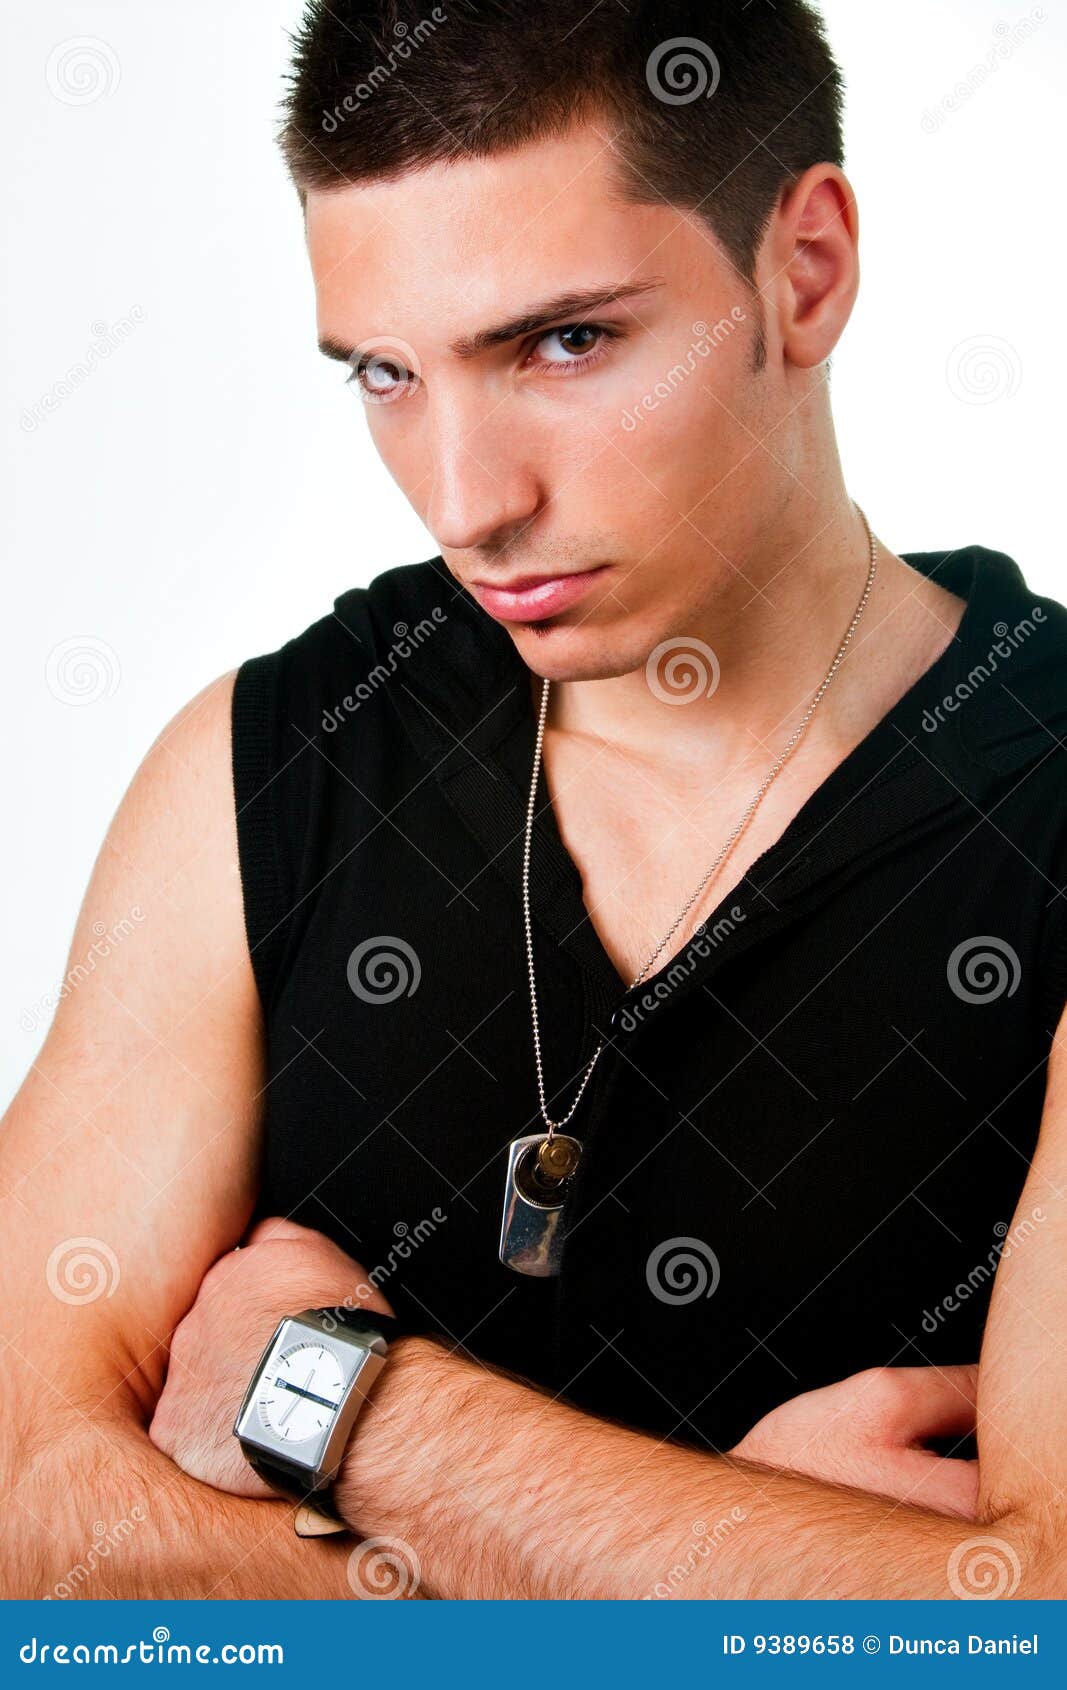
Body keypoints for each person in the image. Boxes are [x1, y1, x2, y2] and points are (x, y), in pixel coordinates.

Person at [3, 0, 1066, 1600]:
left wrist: (360, 1409)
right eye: (384, 371)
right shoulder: (269, 761)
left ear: (806, 271)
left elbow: (1028, 1617)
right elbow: (28, 1522)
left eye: (562, 342)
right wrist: (748, 1563)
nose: (466, 497)